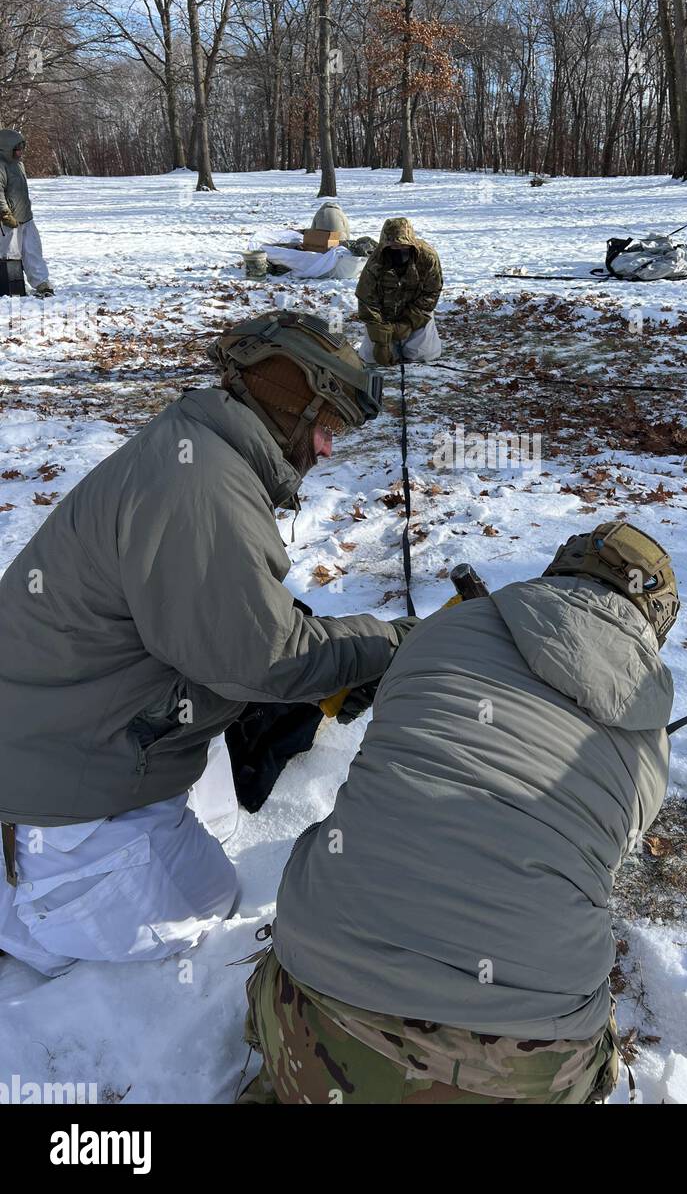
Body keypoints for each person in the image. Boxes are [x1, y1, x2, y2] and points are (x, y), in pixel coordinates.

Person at [0, 310, 415, 977]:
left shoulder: (196, 446)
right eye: (328, 427)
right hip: (63, 793)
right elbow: (262, 659)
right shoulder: (202, 486)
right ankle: (40, 919)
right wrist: (385, 645)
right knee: (214, 931)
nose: (329, 450)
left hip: (57, 734)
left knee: (216, 830)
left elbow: (226, 624)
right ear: (287, 403)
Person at [241, 521, 678, 1105]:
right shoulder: (649, 736)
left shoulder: (448, 627)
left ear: (560, 570)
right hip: (520, 1067)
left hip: (313, 1003)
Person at [356, 216, 442, 365]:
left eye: (404, 247)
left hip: (417, 315)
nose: (399, 251)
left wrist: (408, 322)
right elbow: (367, 300)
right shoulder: (376, 262)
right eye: (394, 247)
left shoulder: (427, 258)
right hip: (384, 317)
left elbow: (431, 293)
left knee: (424, 354)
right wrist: (380, 337)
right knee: (369, 357)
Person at [0, 129, 54, 297]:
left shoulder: (19, 164)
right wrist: (4, 213)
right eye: (17, 148)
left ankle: (42, 283)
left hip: (26, 217)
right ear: (6, 147)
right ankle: (10, 287)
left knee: (33, 251)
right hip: (8, 220)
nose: (21, 151)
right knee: (9, 255)